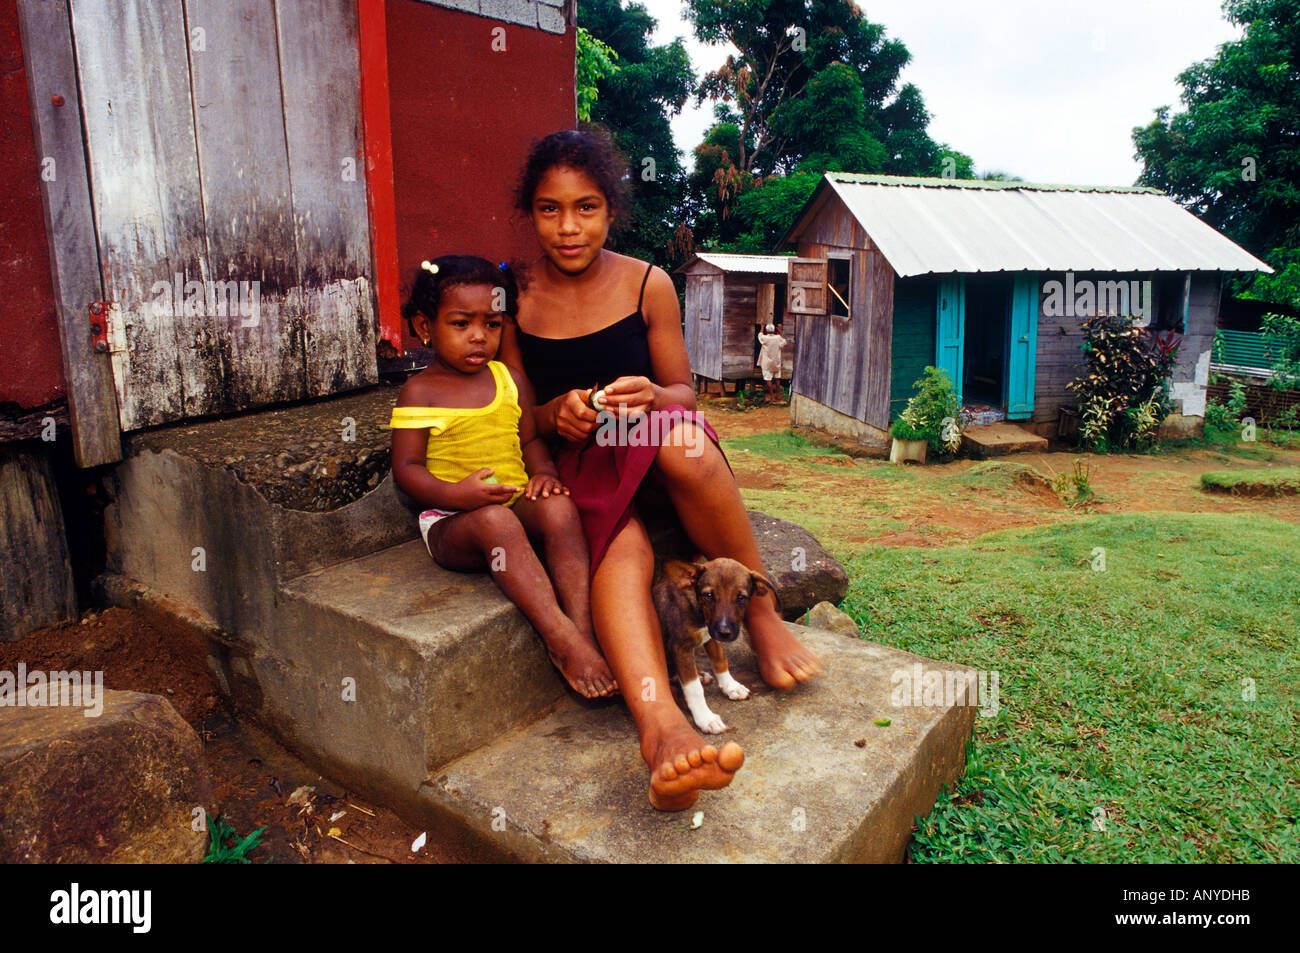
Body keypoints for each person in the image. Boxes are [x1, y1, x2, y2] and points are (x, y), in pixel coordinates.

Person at [497, 129, 821, 811]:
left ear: (610, 211)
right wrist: (554, 420)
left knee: (684, 442)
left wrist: (651, 394)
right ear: (530, 213)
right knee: (623, 545)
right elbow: (521, 416)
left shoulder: (649, 283)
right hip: (586, 457)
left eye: (585, 207)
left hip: (651, 429)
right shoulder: (513, 295)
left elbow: (684, 392)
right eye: (550, 209)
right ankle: (662, 729)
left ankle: (760, 616)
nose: (568, 226)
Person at [389, 254, 617, 699]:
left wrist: (545, 474)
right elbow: (407, 470)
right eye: (461, 324)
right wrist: (458, 493)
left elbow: (530, 441)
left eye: (492, 325)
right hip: (452, 523)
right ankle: (561, 639)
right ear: (424, 327)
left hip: (511, 504)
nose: (479, 337)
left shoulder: (508, 379)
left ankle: (584, 626)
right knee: (496, 520)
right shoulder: (421, 391)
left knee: (558, 507)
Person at [757, 322, 788, 403]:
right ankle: (778, 395)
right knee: (777, 379)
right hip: (776, 362)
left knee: (768, 380)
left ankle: (772, 396)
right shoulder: (778, 338)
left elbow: (759, 335)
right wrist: (780, 332)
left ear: (767, 331)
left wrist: (762, 327)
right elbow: (784, 342)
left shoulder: (765, 338)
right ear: (774, 330)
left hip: (767, 363)